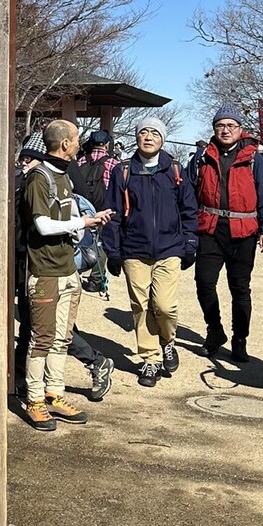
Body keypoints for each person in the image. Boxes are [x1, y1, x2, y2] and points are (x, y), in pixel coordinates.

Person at [18, 120, 112, 432]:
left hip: (68, 269)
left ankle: (54, 394)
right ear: (65, 144)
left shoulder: (64, 176)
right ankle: (34, 400)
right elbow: (42, 225)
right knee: (41, 339)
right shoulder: (39, 177)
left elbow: (69, 217)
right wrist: (82, 224)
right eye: (76, 139)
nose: (79, 144)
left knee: (62, 338)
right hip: (45, 272)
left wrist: (89, 220)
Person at [103, 119, 198, 388]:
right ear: (136, 138)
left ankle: (168, 341)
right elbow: (112, 214)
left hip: (169, 248)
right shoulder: (123, 171)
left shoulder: (175, 170)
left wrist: (190, 243)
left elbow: (189, 210)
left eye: (154, 133)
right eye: (143, 132)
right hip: (134, 249)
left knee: (164, 306)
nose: (148, 137)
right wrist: (113, 252)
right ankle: (151, 358)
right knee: (141, 306)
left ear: (162, 139)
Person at [190, 103, 263, 362]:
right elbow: (189, 195)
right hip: (210, 228)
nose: (225, 130)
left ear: (240, 129)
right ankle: (215, 330)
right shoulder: (202, 157)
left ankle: (240, 338)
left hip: (243, 232)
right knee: (204, 282)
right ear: (214, 129)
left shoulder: (253, 159)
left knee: (239, 288)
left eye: (230, 125)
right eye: (220, 125)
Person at [73, 128, 118, 211]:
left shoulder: (81, 160)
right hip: (104, 208)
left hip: (83, 206)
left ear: (91, 144)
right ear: (107, 145)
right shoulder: (113, 163)